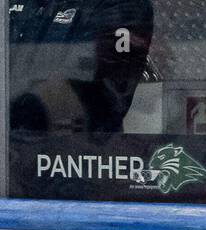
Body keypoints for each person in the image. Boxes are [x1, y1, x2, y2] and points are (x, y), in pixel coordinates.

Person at [9, 0, 154, 134]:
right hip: (1, 144)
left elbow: (87, 86)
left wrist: (3, 106)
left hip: (76, 148)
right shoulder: (22, 4)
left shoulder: (122, 4)